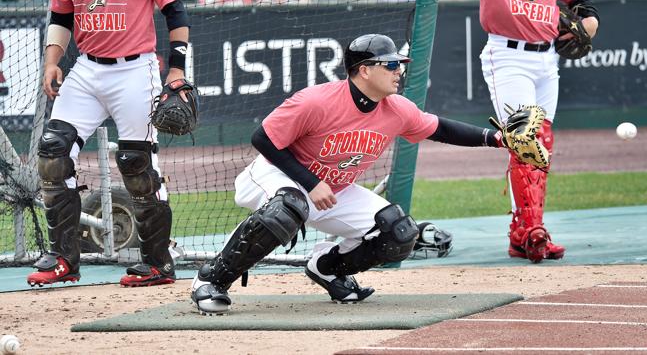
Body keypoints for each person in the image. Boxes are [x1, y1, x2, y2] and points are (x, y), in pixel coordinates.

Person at [190, 34, 539, 315]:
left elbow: (439, 128)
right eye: (390, 65)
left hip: (333, 189)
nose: (398, 71)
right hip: (275, 175)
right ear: (365, 70)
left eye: (399, 64)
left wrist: (496, 139)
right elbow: (262, 139)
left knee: (398, 232)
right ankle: (211, 280)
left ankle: (327, 268)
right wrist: (310, 183)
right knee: (287, 208)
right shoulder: (316, 101)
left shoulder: (397, 109)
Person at [419, 0, 600, 263]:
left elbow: (583, 2)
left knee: (541, 144)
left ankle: (523, 232)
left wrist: (589, 23)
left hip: (545, 59)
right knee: (526, 139)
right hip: (507, 56)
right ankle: (533, 230)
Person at [27, 0, 191, 287]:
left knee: (136, 164)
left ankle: (157, 263)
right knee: (51, 153)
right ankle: (64, 258)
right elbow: (62, 17)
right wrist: (52, 60)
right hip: (86, 70)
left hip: (135, 71)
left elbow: (176, 12)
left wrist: (177, 68)